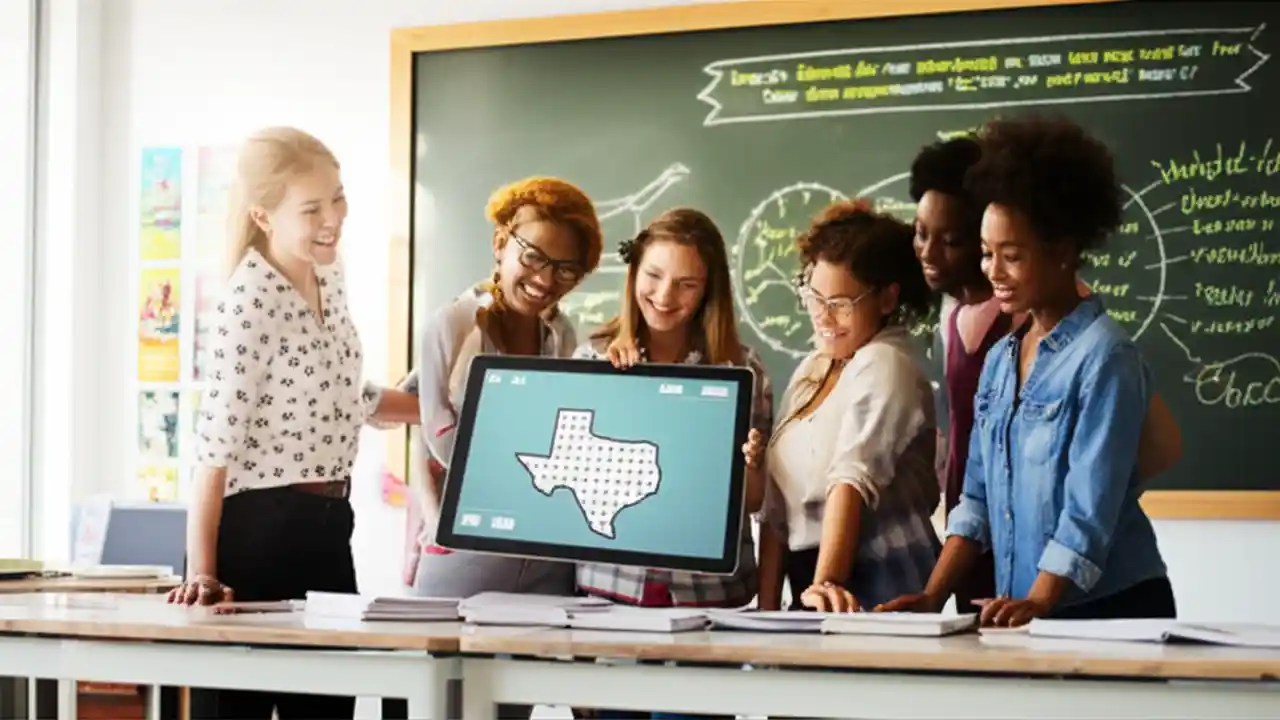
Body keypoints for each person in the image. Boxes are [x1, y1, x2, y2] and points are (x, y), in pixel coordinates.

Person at [878, 116, 1176, 627]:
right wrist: (931, 599)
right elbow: (975, 502)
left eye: (1011, 256)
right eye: (988, 253)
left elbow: (1088, 511)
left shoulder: (1106, 357)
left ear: (1061, 253)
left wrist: (1039, 600)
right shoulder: (1000, 360)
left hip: (1109, 609)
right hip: (1027, 607)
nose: (993, 271)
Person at [168, 126, 418, 720]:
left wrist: (450, 407)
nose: (333, 216)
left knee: (330, 709)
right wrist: (204, 575)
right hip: (257, 534)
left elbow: (343, 399)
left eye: (337, 196)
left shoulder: (328, 274)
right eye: (312, 207)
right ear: (263, 214)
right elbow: (214, 451)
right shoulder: (249, 302)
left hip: (328, 528)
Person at [574, 208, 771, 720]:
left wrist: (753, 463)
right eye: (654, 277)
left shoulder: (742, 371)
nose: (665, 297)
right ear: (634, 273)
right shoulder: (591, 362)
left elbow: (753, 502)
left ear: (710, 290)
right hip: (609, 602)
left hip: (703, 601)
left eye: (687, 284)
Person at [409, 176, 603, 601]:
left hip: (548, 551)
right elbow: (438, 441)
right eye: (533, 257)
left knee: (545, 667)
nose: (546, 279)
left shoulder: (560, 334)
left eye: (566, 269)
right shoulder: (454, 324)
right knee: (449, 663)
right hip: (468, 545)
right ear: (500, 244)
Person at [754, 200, 940, 613]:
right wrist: (766, 614)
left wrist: (826, 585)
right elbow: (776, 510)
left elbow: (850, 480)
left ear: (887, 298)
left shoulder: (884, 361)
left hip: (878, 578)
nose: (823, 316)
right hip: (814, 581)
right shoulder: (813, 369)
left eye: (841, 303)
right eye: (814, 296)